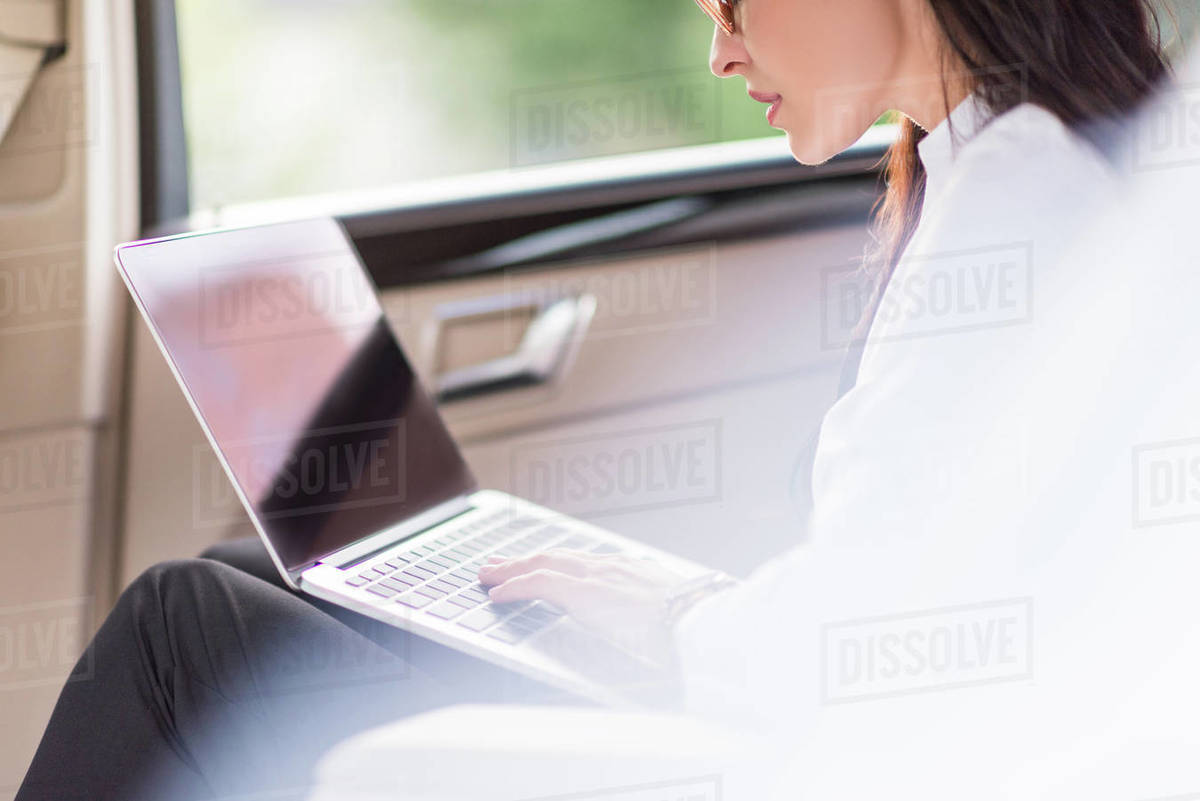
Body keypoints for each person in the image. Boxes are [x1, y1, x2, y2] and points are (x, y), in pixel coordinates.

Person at [15, 1, 1175, 799]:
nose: (720, 52)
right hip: (776, 695)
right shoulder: (986, 163)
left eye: (732, 3)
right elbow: (907, 569)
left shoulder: (1017, 199)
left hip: (778, 751)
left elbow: (879, 651)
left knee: (179, 627)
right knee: (259, 569)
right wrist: (678, 607)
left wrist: (670, 625)